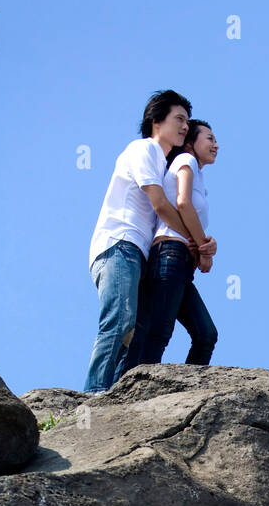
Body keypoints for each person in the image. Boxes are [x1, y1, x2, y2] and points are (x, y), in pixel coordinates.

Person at [83, 92, 216, 393]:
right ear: (157, 121)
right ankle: (94, 395)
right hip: (120, 243)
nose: (185, 126)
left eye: (186, 121)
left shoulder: (163, 162)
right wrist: (196, 242)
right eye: (178, 119)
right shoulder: (143, 149)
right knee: (122, 321)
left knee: (137, 328)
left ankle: (117, 391)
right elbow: (161, 205)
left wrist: (199, 242)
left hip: (142, 254)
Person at [122, 119, 219, 370]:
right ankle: (133, 393)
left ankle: (187, 395)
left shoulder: (196, 174)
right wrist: (202, 247)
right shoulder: (185, 161)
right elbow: (183, 203)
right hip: (170, 254)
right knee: (159, 332)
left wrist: (203, 247)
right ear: (190, 143)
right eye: (209, 138)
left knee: (206, 333)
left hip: (180, 262)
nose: (216, 145)